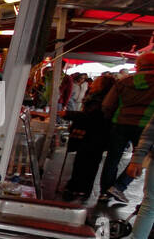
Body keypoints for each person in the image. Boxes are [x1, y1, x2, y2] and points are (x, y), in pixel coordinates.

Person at [99, 54, 154, 204]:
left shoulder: (124, 82)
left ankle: (104, 192)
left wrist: (112, 118)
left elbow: (107, 105)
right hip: (146, 127)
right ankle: (119, 186)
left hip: (120, 123)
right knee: (142, 158)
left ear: (139, 65)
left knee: (112, 159)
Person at [62, 73, 117, 201]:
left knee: (86, 163)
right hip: (94, 136)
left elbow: (91, 118)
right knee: (84, 162)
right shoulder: (97, 98)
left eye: (97, 82)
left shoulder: (100, 100)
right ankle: (78, 187)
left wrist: (69, 114)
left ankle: (79, 189)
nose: (93, 84)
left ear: (103, 86)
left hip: (95, 136)